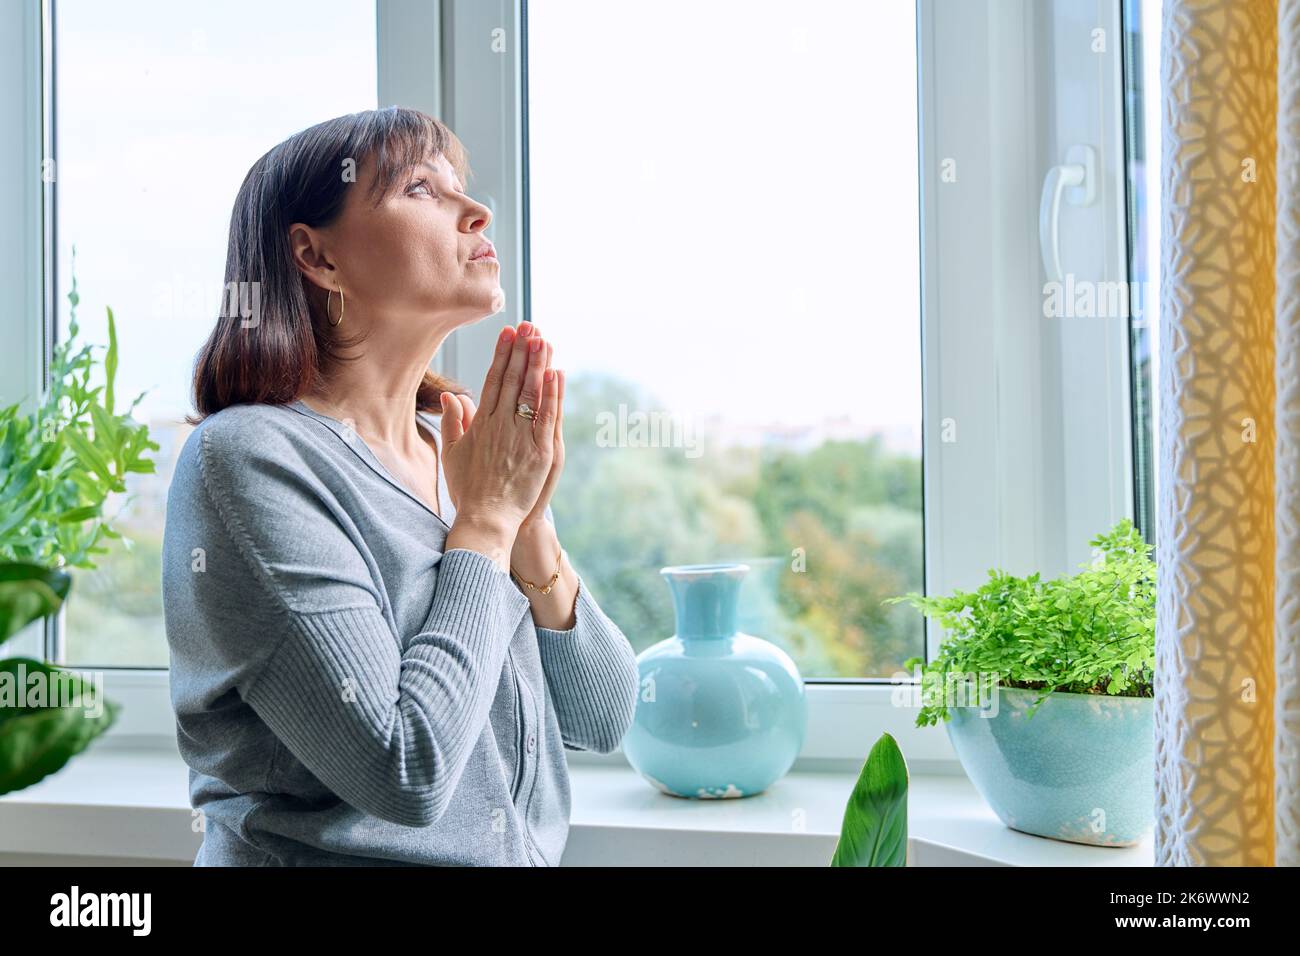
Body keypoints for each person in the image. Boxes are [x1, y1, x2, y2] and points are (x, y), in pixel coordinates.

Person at [161, 106, 640, 866]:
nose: (475, 210)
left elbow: (605, 716)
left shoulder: (451, 450)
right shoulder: (247, 459)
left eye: (461, 186)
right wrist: (484, 525)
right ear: (317, 259)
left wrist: (527, 526)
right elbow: (405, 772)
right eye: (421, 187)